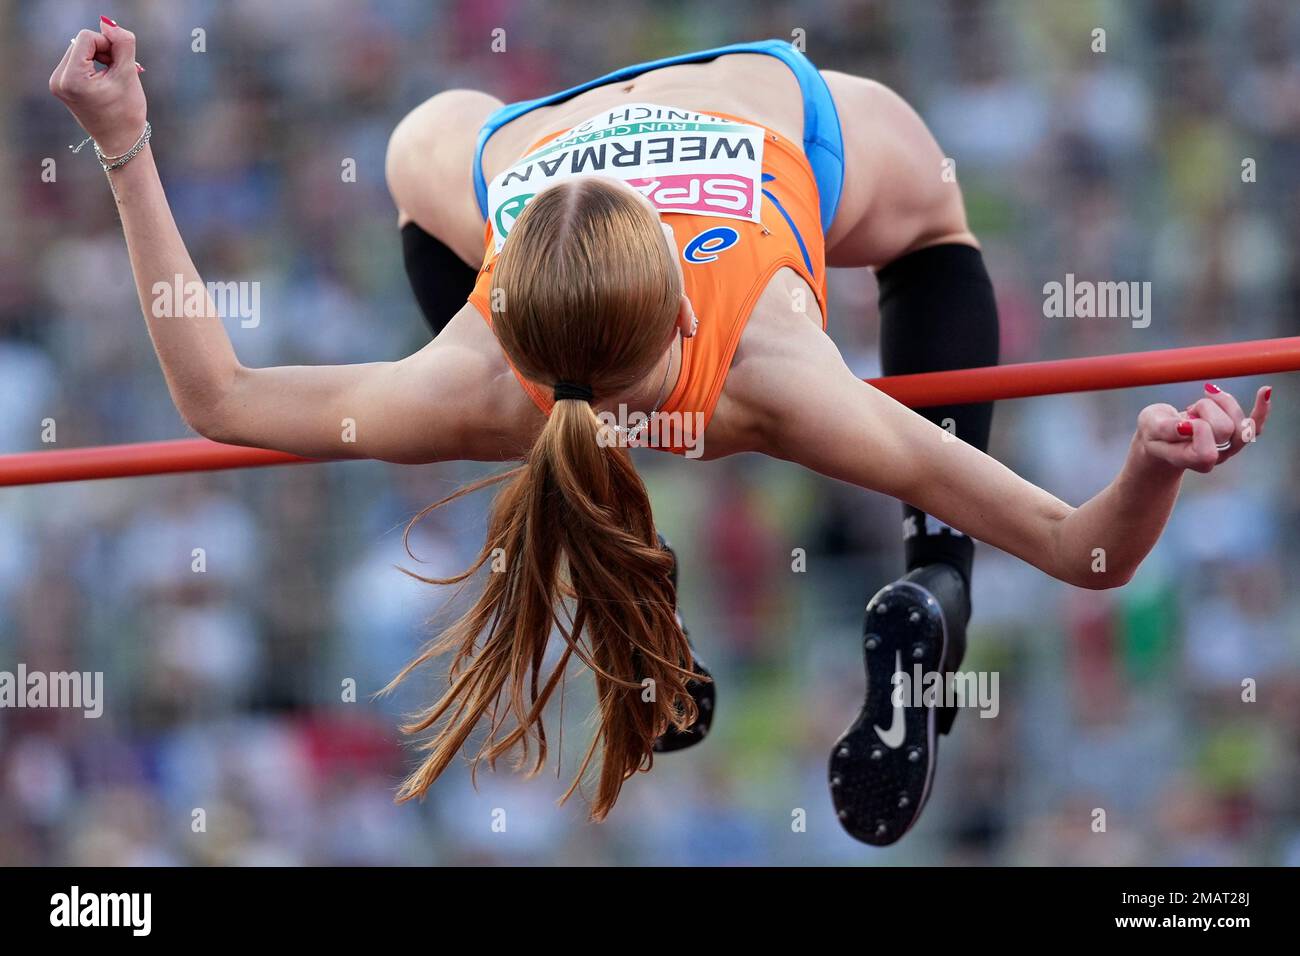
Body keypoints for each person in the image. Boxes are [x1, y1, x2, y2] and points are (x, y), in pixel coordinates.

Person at [50, 23, 1272, 845]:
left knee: (417, 146)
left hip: (506, 144)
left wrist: (123, 143)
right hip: (724, 105)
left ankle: (621, 580)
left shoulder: (476, 375)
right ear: (684, 302)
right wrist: (1149, 464)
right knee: (934, 229)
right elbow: (1084, 553)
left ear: (503, 287)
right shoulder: (780, 371)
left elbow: (216, 395)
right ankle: (931, 584)